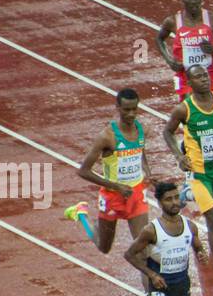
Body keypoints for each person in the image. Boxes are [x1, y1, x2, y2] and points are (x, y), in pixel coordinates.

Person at [163, 64, 213, 296]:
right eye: (197, 77)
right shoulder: (184, 109)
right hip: (200, 173)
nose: (204, 80)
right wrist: (179, 157)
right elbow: (167, 132)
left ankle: (186, 201)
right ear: (190, 83)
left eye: (205, 75)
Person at [64, 88, 153, 254]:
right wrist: (117, 186)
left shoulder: (142, 130)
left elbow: (141, 152)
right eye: (127, 110)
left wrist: (147, 172)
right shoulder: (107, 137)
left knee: (144, 249)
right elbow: (83, 171)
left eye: (135, 109)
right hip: (113, 196)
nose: (131, 114)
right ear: (117, 108)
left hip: (136, 194)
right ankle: (81, 214)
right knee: (104, 247)